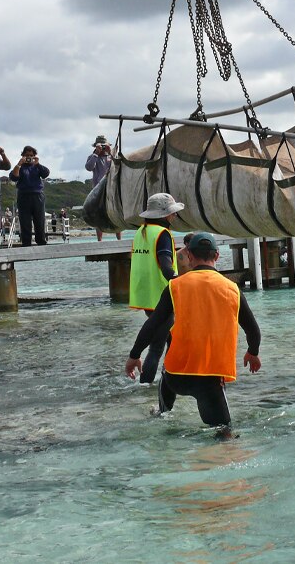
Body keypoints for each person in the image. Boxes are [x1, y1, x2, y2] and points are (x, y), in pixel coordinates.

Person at [126, 232, 262, 433]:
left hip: (176, 376)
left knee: (165, 381)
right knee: (223, 432)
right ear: (216, 256)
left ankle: (162, 411)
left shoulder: (176, 286)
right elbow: (253, 329)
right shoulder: (232, 289)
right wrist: (252, 352)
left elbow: (153, 325)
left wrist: (134, 355)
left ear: (189, 256)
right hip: (210, 378)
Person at [130, 192, 184, 383]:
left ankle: (170, 378)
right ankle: (148, 384)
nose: (174, 216)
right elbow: (165, 264)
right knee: (157, 346)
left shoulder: (141, 231)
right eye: (172, 212)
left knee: (169, 339)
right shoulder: (163, 234)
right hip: (161, 297)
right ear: (163, 215)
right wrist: (181, 282)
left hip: (144, 296)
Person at [8, 145, 50, 247]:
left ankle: (41, 241)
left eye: (31, 155)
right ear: (23, 156)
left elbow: (46, 173)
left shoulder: (37, 167)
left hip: (37, 195)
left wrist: (38, 164)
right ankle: (26, 243)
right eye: (27, 155)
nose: (29, 157)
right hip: (24, 196)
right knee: (25, 220)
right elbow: (13, 177)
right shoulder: (20, 167)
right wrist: (19, 164)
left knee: (39, 219)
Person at [86, 135, 121, 240]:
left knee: (115, 213)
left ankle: (119, 240)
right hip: (98, 190)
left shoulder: (111, 156)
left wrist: (111, 152)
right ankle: (99, 241)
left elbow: (119, 165)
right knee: (98, 215)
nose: (103, 148)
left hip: (112, 188)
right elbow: (89, 167)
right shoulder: (93, 157)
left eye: (104, 146)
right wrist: (96, 153)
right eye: (101, 146)